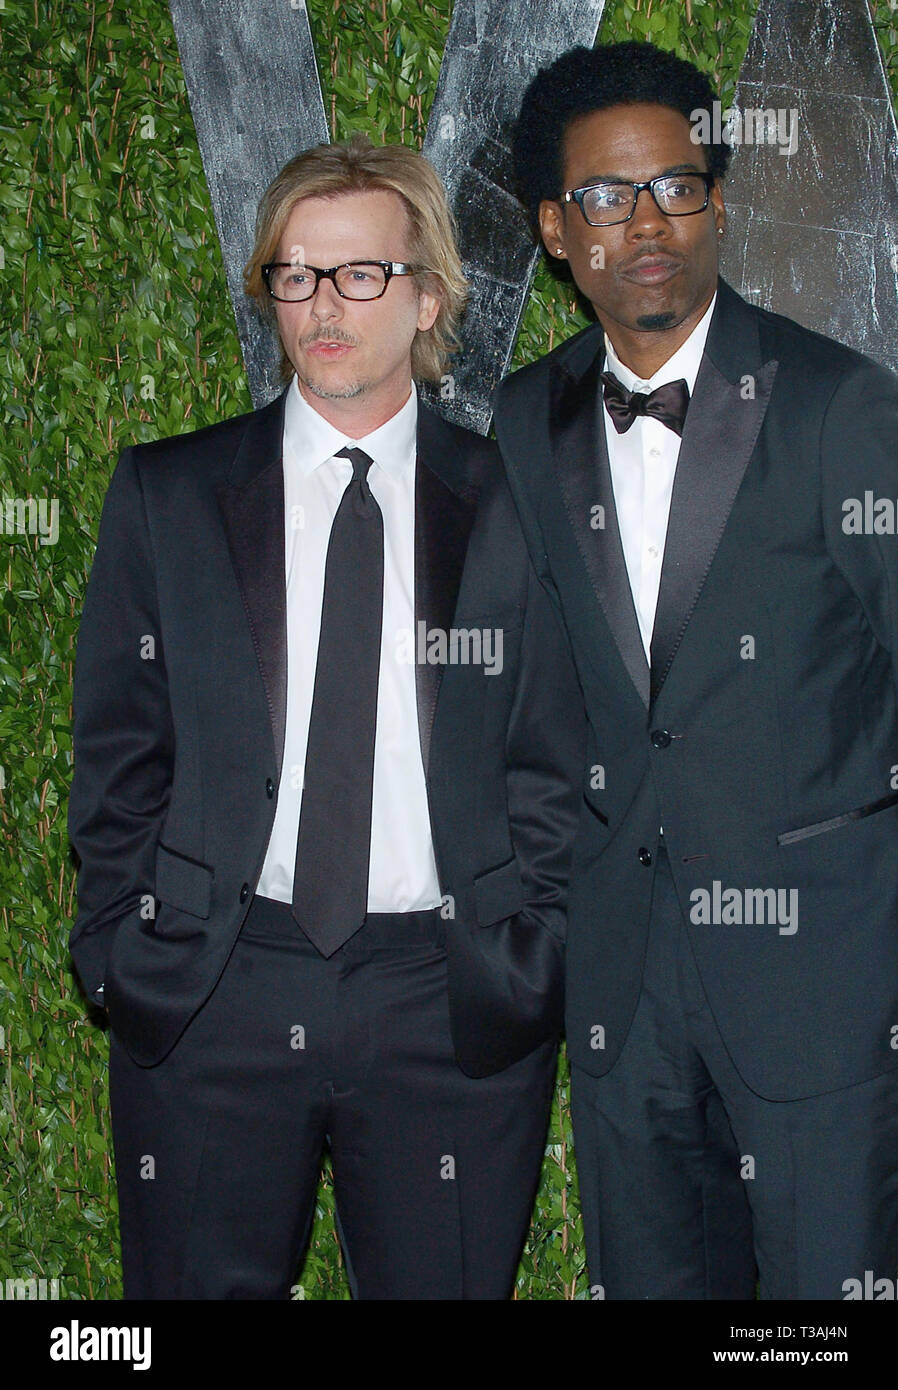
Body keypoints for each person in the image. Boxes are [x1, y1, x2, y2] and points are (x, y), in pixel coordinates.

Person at [67, 134, 585, 1300]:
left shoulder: (518, 508)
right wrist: (118, 949)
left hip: (447, 1001)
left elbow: (555, 760)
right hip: (216, 989)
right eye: (295, 275)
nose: (323, 305)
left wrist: (531, 955)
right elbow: (117, 755)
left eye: (360, 273)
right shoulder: (169, 493)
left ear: (428, 298)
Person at [493, 40, 898, 1300]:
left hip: (821, 980)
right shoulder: (524, 419)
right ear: (559, 231)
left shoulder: (843, 407)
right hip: (624, 990)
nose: (646, 223)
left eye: (675, 186)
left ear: (718, 199)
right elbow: (533, 704)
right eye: (605, 200)